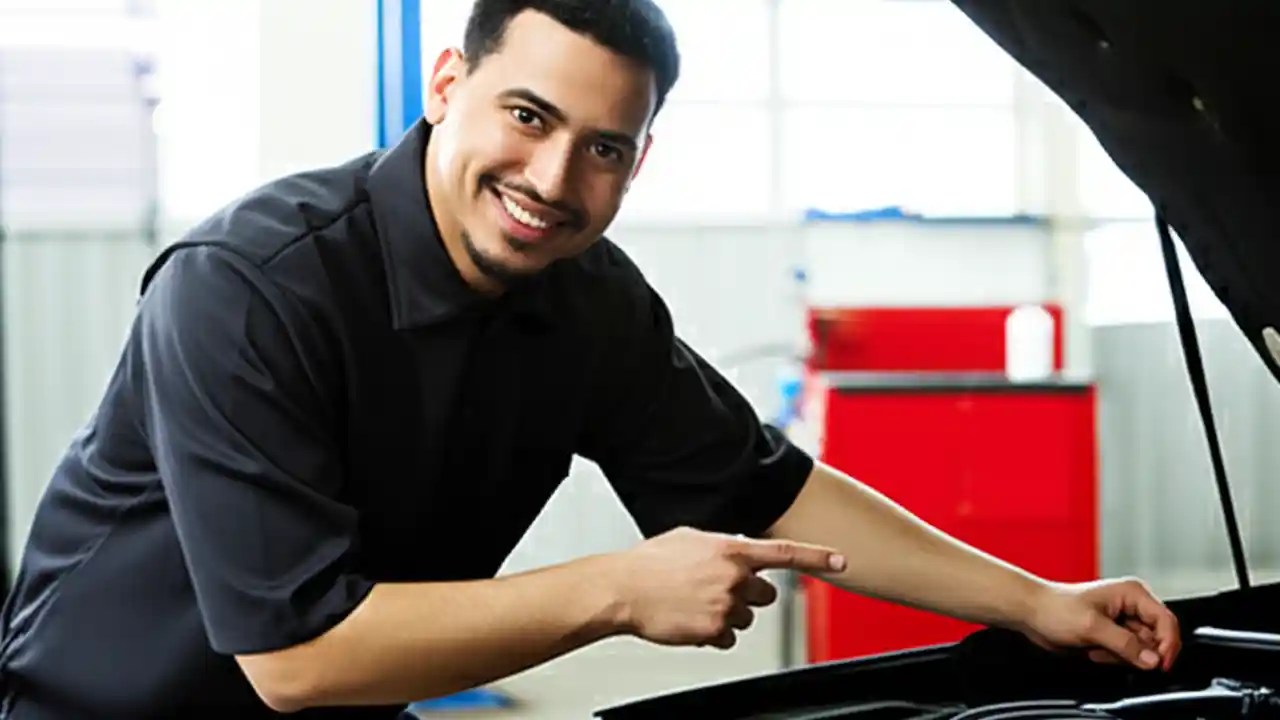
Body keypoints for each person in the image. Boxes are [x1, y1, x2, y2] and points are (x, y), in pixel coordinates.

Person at [0, 1, 1181, 717]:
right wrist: (618, 591)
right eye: (527, 116)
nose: (555, 181)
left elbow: (768, 488)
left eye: (603, 146)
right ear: (449, 85)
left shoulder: (586, 303)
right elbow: (296, 659)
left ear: (639, 158)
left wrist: (1039, 603)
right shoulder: (250, 287)